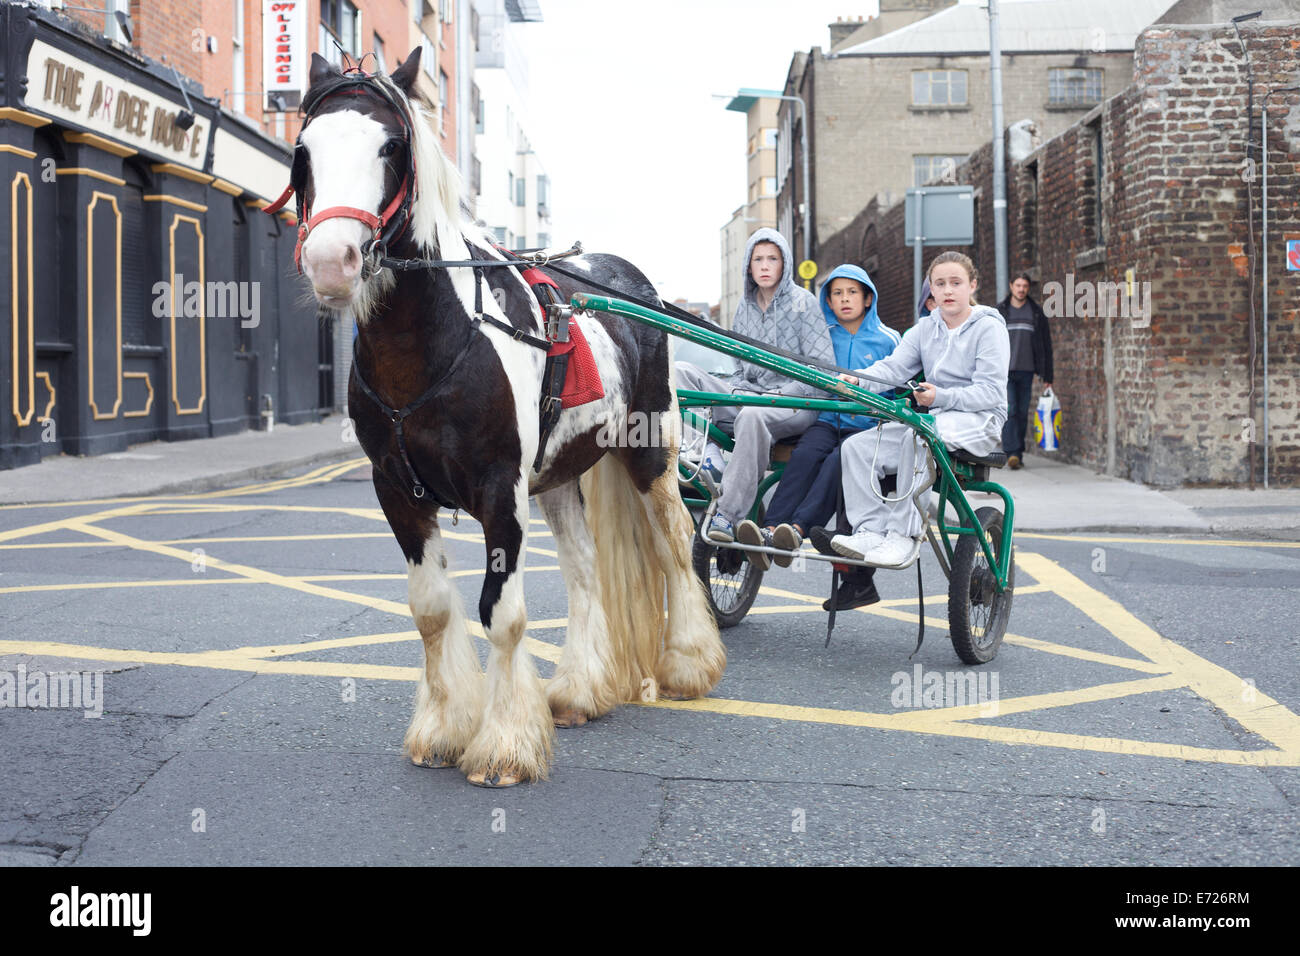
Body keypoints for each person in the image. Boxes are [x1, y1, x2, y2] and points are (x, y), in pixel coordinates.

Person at [734, 265, 899, 611]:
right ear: (828, 300)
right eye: (836, 294)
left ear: (868, 298)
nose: (844, 300)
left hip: (868, 428)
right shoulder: (824, 336)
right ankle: (771, 529)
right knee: (805, 457)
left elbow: (899, 386)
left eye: (852, 292)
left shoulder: (888, 340)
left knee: (838, 463)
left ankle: (798, 527)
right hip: (827, 420)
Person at [831, 251, 1010, 568]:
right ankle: (870, 530)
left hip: (981, 421)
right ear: (931, 289)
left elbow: (991, 393)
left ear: (972, 286)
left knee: (917, 437)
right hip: (937, 419)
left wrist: (940, 396)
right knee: (856, 447)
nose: (948, 291)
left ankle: (903, 535)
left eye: (956, 283)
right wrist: (858, 381)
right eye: (940, 284)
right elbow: (892, 368)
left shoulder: (989, 328)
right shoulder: (925, 329)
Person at [675, 227, 833, 543]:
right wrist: (735, 388)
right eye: (757, 258)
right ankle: (706, 455)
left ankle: (727, 516)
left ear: (784, 263)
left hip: (797, 401)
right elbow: (737, 367)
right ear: (748, 264)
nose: (764, 265)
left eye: (772, 258)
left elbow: (821, 373)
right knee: (680, 372)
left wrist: (774, 396)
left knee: (752, 414)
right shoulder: (744, 307)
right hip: (751, 395)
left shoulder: (805, 303)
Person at [997, 272, 1053, 469]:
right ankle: (1011, 451)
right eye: (1018, 285)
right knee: (1010, 409)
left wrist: (1048, 375)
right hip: (1005, 372)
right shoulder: (1001, 312)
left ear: (1028, 289)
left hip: (1027, 370)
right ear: (1011, 286)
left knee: (1022, 412)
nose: (1021, 289)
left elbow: (1046, 345)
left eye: (1025, 286)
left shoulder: (1036, 313)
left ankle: (1017, 453)